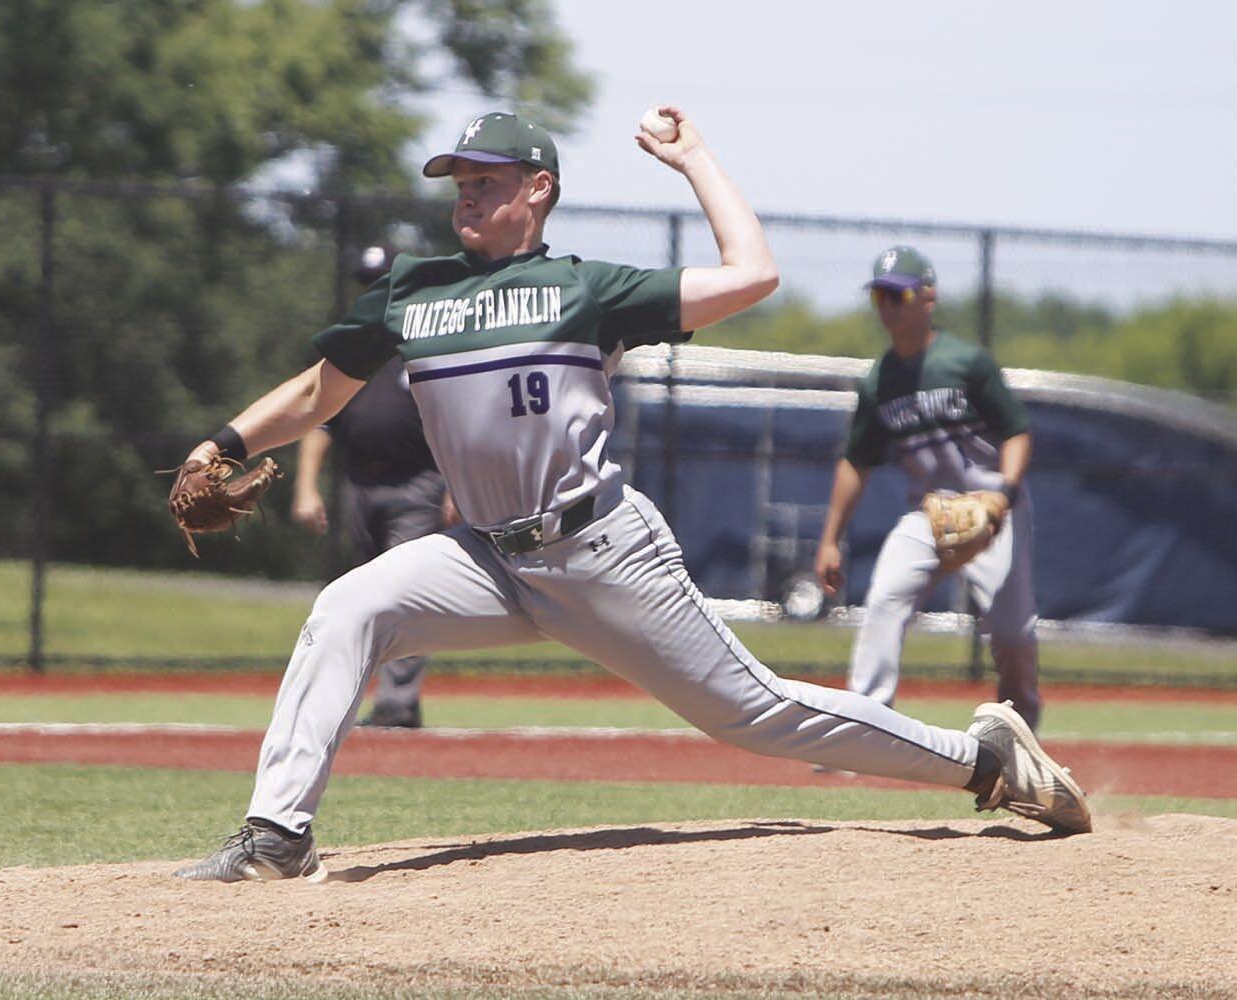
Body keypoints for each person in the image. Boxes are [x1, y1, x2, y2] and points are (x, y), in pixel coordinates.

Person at [173, 110, 1090, 884]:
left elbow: (753, 275)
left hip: (600, 552)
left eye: (487, 177)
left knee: (758, 713)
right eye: (457, 178)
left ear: (539, 189)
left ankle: (985, 759)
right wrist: (223, 444)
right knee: (348, 606)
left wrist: (695, 162)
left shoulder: (587, 290)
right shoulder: (413, 294)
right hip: (490, 557)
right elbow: (316, 392)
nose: (465, 191)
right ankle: (277, 837)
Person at [813, 246, 1044, 731]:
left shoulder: (966, 362)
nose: (888, 306)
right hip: (928, 514)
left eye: (898, 294)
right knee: (884, 599)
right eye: (880, 295)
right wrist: (831, 538)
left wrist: (1004, 493)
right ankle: (865, 727)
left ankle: (1021, 728)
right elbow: (857, 461)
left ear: (928, 297)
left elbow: (1017, 432)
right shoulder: (879, 381)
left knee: (1011, 634)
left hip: (991, 509)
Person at [289, 244, 455, 729]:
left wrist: (454, 487)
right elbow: (319, 422)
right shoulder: (350, 351)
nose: (375, 293)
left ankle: (398, 704)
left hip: (418, 485)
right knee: (355, 596)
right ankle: (340, 701)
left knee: (408, 592)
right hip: (358, 485)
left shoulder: (425, 346)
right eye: (368, 283)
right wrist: (305, 488)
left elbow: (453, 425)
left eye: (383, 282)